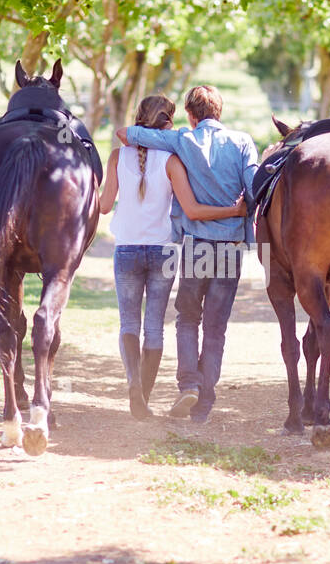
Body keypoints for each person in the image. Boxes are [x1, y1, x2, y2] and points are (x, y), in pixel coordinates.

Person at [99, 94, 247, 419]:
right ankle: (153, 399)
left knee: (130, 322)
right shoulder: (172, 160)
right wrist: (235, 210)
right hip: (164, 250)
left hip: (126, 249)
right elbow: (192, 209)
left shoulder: (116, 156)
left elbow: (104, 206)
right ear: (168, 121)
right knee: (156, 327)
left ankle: (134, 384)